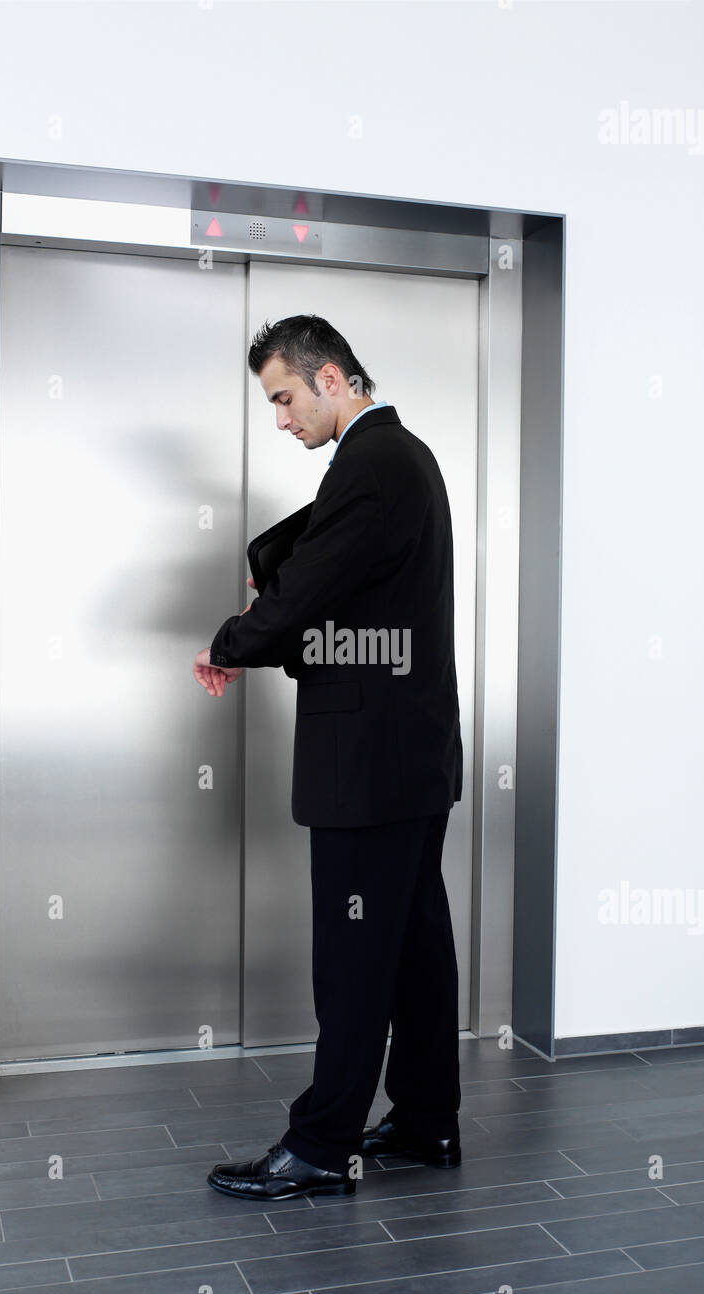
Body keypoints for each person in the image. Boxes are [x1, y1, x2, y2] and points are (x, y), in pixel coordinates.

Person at [192, 314, 463, 1200]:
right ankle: (426, 1122)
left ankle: (320, 1145)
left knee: (353, 961)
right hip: (411, 759)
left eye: (283, 397)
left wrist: (228, 643)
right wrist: (266, 592)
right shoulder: (399, 457)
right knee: (415, 943)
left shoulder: (373, 464)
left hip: (371, 767)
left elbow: (305, 591)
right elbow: (317, 564)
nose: (279, 419)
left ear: (334, 378)